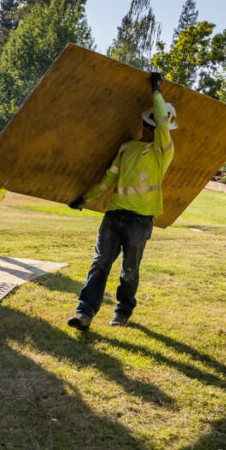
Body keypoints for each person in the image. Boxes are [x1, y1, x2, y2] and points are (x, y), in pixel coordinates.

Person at [67, 71, 177, 331]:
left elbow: (162, 121)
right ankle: (84, 313)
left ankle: (122, 312)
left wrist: (156, 91)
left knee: (129, 270)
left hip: (141, 220)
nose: (147, 128)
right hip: (115, 215)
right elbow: (108, 180)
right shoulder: (127, 147)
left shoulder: (164, 151)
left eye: (150, 126)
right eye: (147, 125)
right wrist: (84, 198)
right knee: (100, 263)